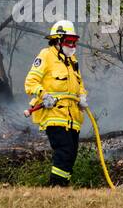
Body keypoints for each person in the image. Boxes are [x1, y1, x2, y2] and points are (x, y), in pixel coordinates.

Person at [24, 20, 89, 186]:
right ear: (57, 40)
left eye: (74, 41)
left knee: (71, 153)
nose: (72, 45)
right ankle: (55, 188)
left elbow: (79, 85)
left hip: (72, 118)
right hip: (54, 116)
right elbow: (30, 82)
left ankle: (62, 188)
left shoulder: (72, 61)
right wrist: (44, 95)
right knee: (64, 151)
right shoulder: (46, 55)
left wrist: (82, 97)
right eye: (69, 41)